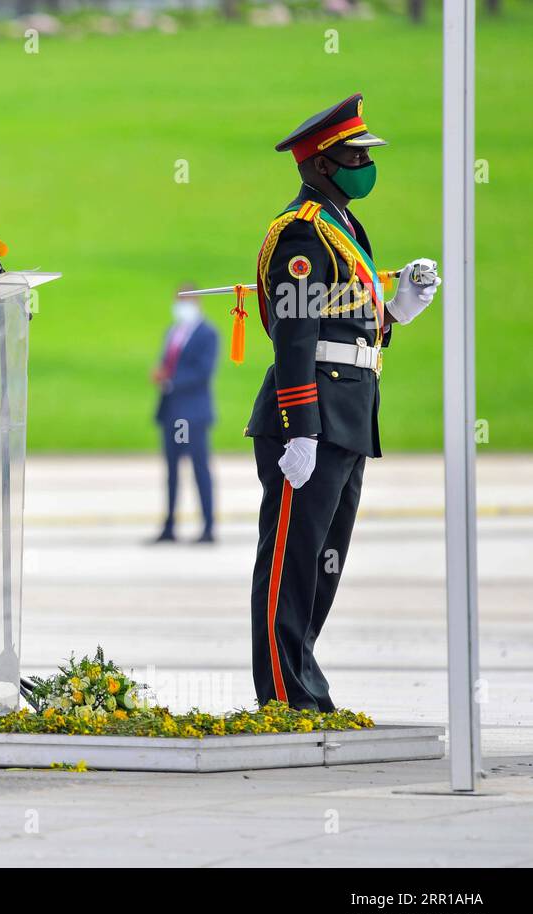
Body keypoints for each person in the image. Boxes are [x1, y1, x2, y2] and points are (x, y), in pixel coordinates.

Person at [245, 93, 439, 712]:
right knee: (291, 560)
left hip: (349, 413)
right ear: (321, 165)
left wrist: (397, 310)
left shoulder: (344, 229)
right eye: (354, 154)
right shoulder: (303, 231)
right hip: (311, 417)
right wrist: (300, 427)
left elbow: (347, 325)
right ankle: (283, 696)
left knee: (323, 564)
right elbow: (296, 331)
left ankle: (305, 685)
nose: (365, 164)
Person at [150, 285, 218, 544]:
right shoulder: (174, 331)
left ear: (197, 302)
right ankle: (169, 525)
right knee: (171, 470)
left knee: (200, 468)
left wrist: (170, 380)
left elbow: (203, 371)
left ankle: (208, 526)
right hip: (171, 411)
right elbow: (167, 361)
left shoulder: (207, 333)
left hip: (194, 412)